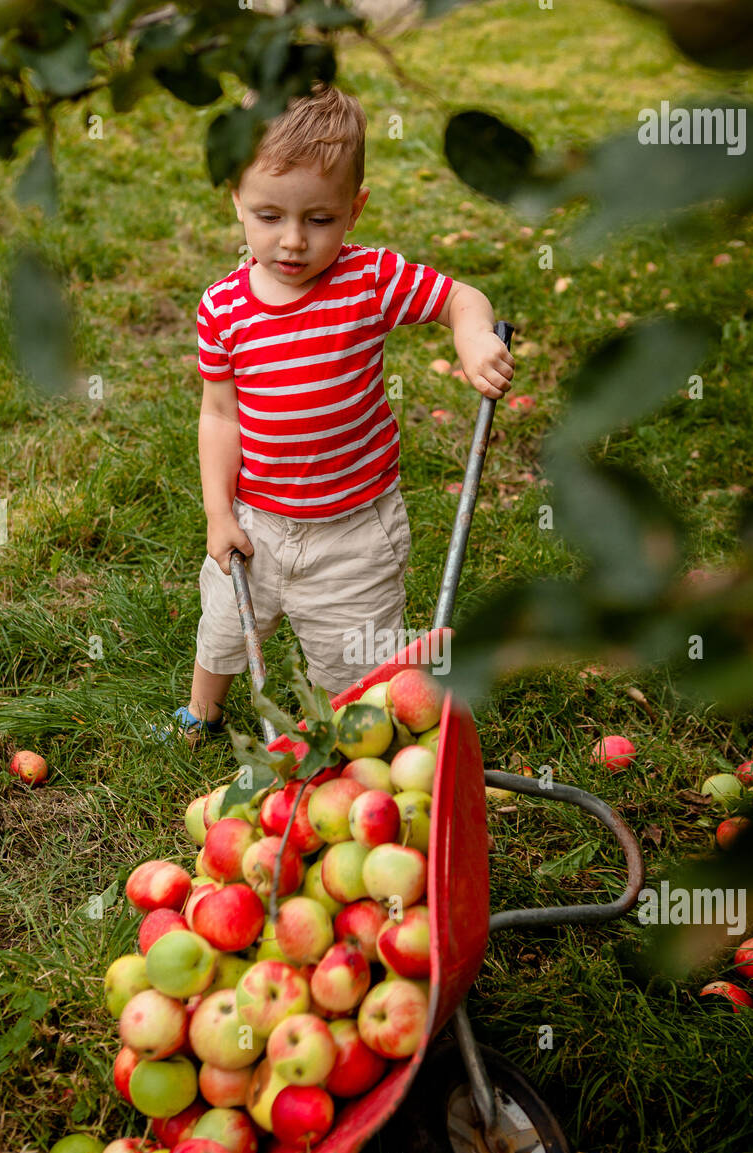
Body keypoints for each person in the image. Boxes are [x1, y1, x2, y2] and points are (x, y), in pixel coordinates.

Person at [160, 82, 514, 742]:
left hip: (353, 528)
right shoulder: (223, 308)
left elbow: (461, 297)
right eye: (269, 216)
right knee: (225, 623)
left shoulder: (369, 280)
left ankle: (346, 739)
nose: (293, 241)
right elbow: (218, 416)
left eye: (319, 220)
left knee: (355, 664)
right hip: (256, 518)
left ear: (354, 210)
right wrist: (218, 513)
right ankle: (202, 712)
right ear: (236, 198)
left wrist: (471, 335)